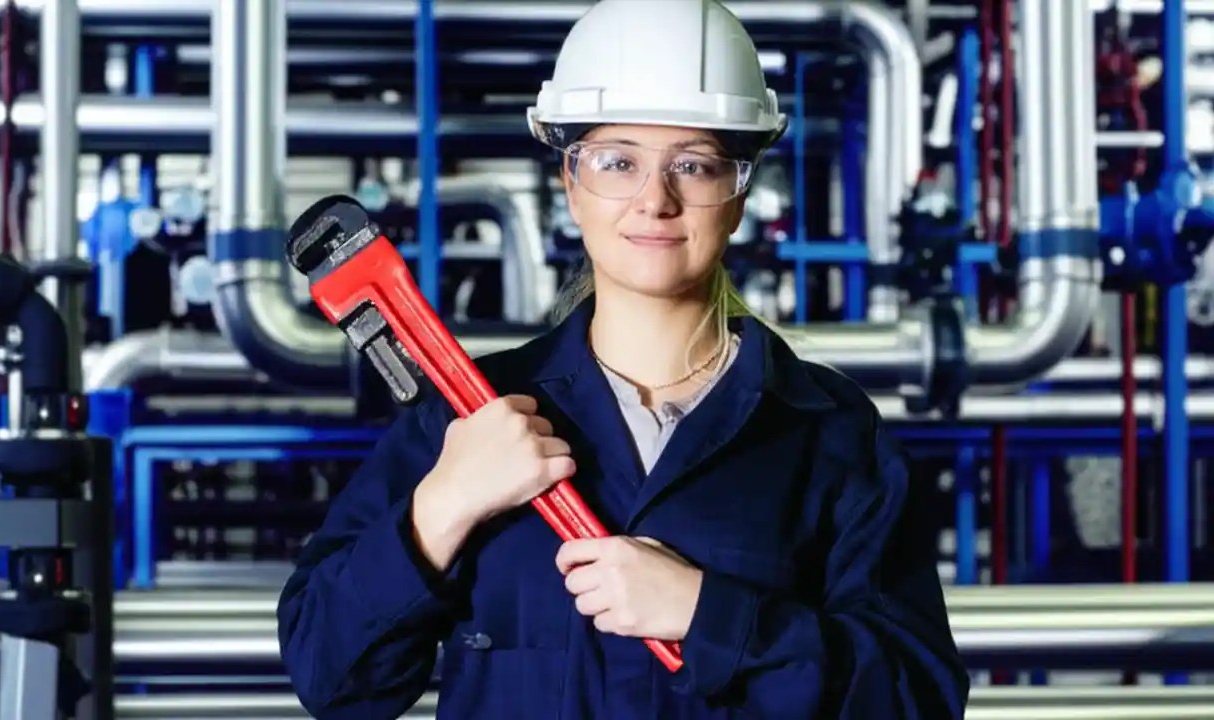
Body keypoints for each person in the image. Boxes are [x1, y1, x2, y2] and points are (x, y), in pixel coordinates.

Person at [277, 0, 969, 717]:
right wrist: (443, 507)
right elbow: (331, 678)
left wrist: (712, 618)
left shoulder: (831, 435)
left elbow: (916, 699)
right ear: (570, 185)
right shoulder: (468, 419)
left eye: (695, 165)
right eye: (617, 162)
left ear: (738, 195)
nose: (655, 201)